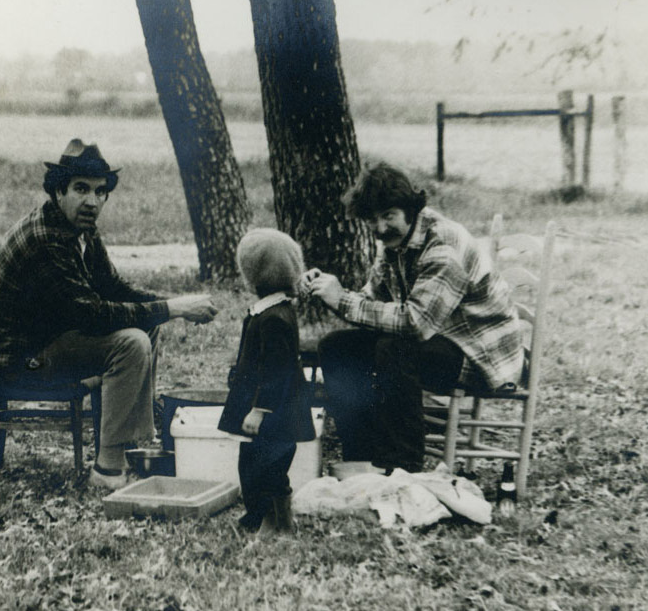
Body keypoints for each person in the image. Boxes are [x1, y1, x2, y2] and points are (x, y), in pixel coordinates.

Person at [0, 138, 218, 489]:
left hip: (49, 341)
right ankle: (106, 471)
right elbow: (92, 316)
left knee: (146, 328)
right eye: (81, 189)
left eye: (100, 191)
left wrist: (173, 305)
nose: (92, 201)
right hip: (20, 360)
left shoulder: (79, 228)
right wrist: (174, 308)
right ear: (58, 191)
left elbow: (114, 288)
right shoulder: (47, 239)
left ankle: (128, 448)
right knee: (132, 343)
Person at [301, 162, 522, 475]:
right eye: (372, 220)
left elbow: (415, 323)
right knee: (337, 346)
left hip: (478, 353)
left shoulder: (443, 244)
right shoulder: (395, 242)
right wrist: (327, 290)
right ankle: (361, 459)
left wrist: (344, 300)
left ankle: (403, 468)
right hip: (438, 338)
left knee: (395, 348)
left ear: (410, 207)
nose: (379, 228)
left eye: (388, 216)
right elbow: (371, 304)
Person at [218, 229, 316, 534]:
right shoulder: (269, 311)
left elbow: (277, 370)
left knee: (270, 466)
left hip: (275, 411)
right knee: (250, 463)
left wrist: (260, 408)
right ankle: (256, 515)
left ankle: (278, 521)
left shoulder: (274, 318)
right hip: (267, 408)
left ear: (253, 275)